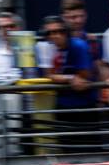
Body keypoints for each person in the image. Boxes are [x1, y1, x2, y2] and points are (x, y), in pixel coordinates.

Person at [41, 15, 98, 151]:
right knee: (66, 149)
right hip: (62, 105)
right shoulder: (46, 48)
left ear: (66, 32)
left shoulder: (78, 46)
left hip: (84, 106)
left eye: (60, 31)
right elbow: (48, 75)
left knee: (87, 150)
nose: (56, 36)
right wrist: (69, 78)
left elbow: (84, 76)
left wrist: (59, 77)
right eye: (50, 33)